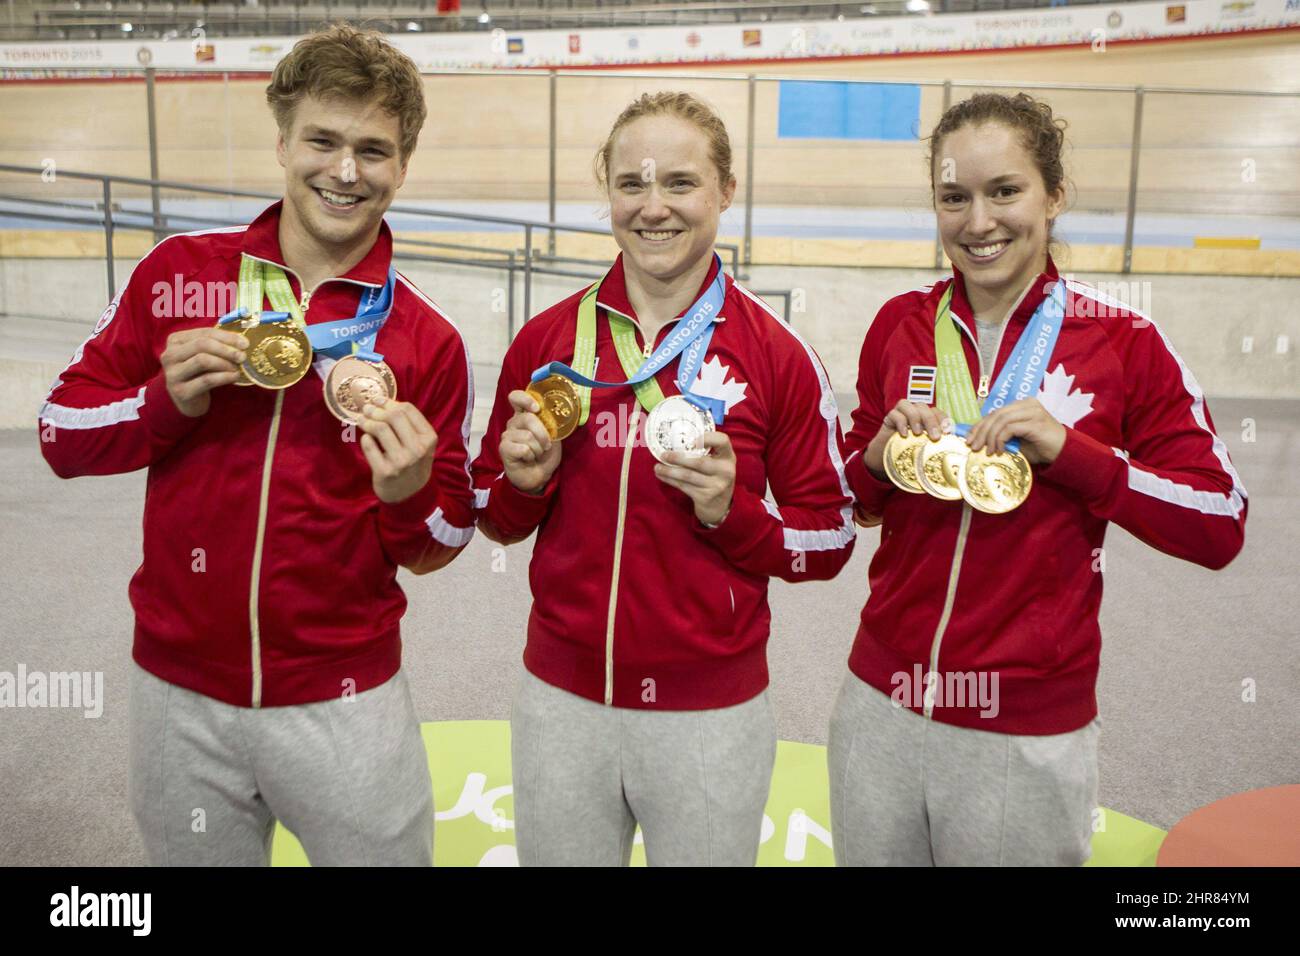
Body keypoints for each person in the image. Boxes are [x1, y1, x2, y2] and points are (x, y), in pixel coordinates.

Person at [37, 25, 475, 866]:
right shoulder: (176, 275)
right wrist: (162, 403)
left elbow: (440, 543)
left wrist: (410, 492)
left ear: (402, 166)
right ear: (283, 141)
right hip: (179, 696)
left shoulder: (428, 340)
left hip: (347, 701)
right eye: (323, 140)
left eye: (373, 150)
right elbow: (60, 433)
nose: (345, 171)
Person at [831, 92, 1247, 866]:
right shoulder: (899, 323)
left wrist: (1075, 454)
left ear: (1054, 196)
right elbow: (849, 499)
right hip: (878, 706)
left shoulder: (1123, 342)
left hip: (1025, 727)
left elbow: (1220, 522)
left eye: (1005, 191)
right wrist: (882, 460)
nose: (978, 221)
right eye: (954, 197)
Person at [472, 92, 855, 866]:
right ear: (607, 191)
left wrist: (733, 513)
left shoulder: (779, 355)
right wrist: (523, 482)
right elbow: (494, 518)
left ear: (725, 192)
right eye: (631, 184)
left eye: (679, 183)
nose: (654, 208)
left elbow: (832, 538)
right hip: (561, 704)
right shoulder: (547, 341)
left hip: (711, 717)